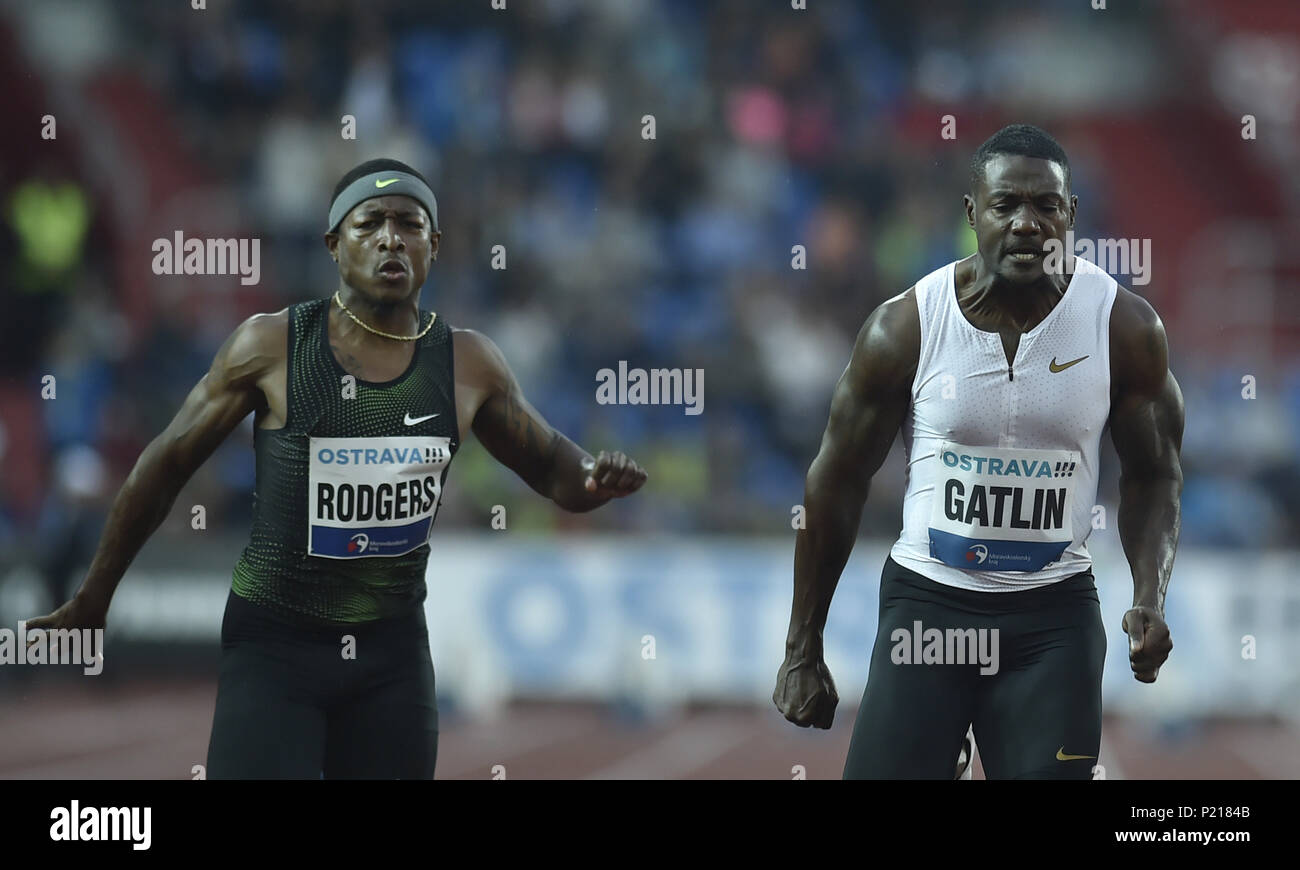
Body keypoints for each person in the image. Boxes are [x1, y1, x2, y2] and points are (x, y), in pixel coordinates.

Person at [27, 158, 648, 779]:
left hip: (392, 655)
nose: (390, 238)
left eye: (409, 224)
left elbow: (557, 472)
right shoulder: (270, 346)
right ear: (333, 245)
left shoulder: (468, 364)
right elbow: (161, 469)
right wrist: (92, 599)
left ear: (433, 245)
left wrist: (597, 478)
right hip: (275, 648)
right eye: (369, 222)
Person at [772, 125, 1184, 779]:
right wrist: (802, 646)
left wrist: (1150, 596)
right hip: (930, 611)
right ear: (973, 214)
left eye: (1046, 207)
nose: (1026, 224)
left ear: (1071, 215)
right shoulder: (905, 327)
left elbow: (1157, 474)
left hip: (1053, 622)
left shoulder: (1125, 328)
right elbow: (836, 481)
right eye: (1006, 206)